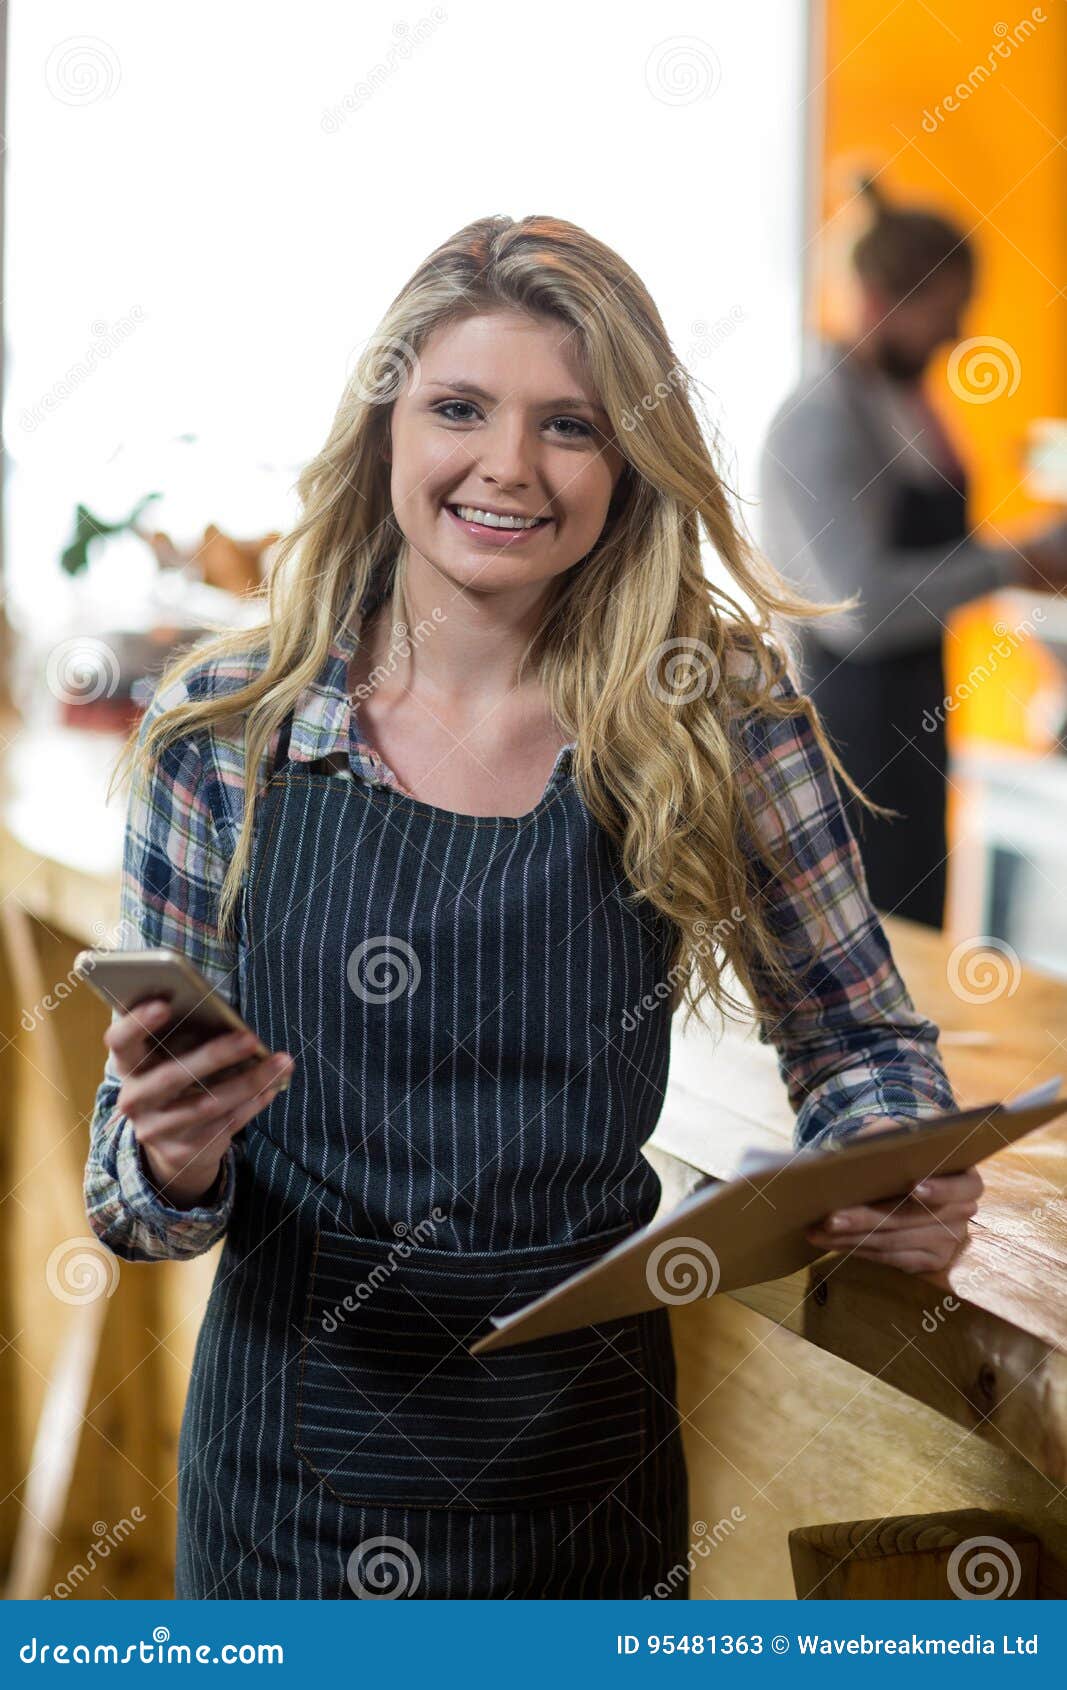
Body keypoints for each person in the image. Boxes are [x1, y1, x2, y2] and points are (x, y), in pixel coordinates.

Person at [85, 214, 981, 1601]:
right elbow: (138, 1214)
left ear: (627, 463)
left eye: (567, 424)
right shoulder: (225, 733)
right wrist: (177, 1154)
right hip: (288, 1487)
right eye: (457, 408)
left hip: (590, 1475)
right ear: (385, 424)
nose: (506, 465)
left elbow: (859, 1041)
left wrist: (893, 1172)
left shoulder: (715, 716)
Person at [758, 175, 1067, 929]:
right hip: (846, 747)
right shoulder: (819, 422)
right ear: (881, 298)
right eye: (945, 310)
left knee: (918, 944)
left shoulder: (906, 403)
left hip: (917, 726)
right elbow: (857, 610)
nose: (957, 332)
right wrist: (1012, 563)